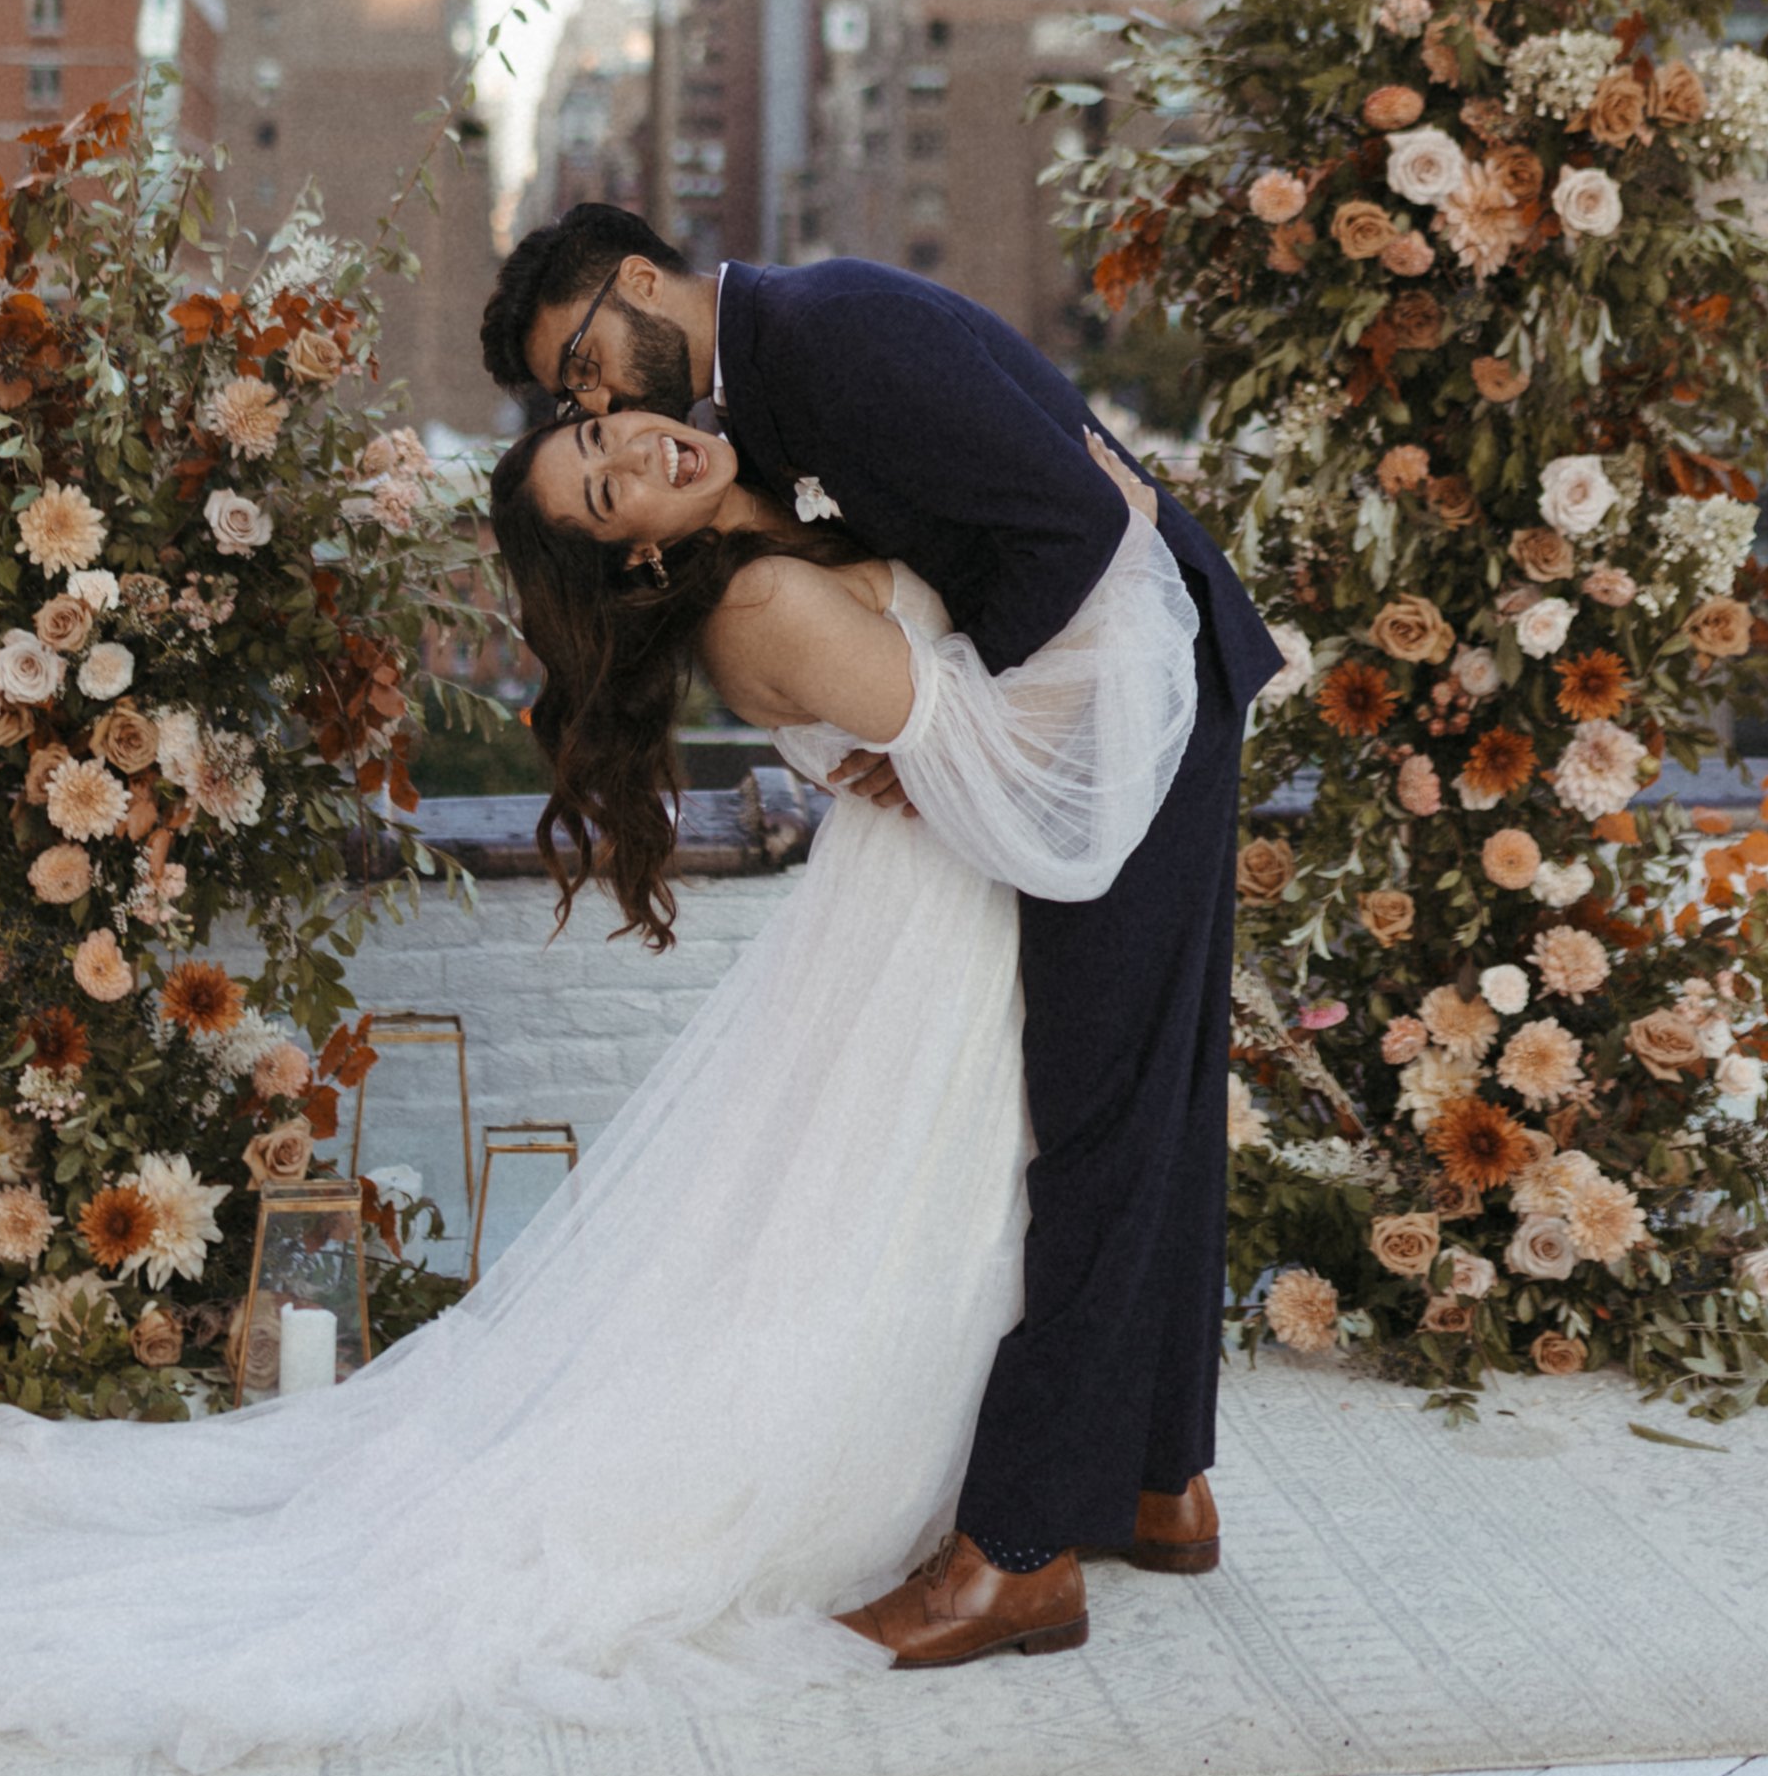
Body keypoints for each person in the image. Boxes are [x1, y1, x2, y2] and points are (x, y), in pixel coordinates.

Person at [0, 369, 1206, 1759]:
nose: (638, 452)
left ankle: (1088, 1476)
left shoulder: (789, 518)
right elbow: (1025, 762)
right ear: (636, 554)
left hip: (946, 896)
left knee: (976, 1201)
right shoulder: (762, 599)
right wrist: (1129, 538)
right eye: (607, 489)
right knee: (917, 1216)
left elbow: (955, 730)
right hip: (943, 911)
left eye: (610, 433)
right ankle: (1008, 1513)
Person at [478, 203, 1280, 1667]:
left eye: (585, 370)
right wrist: (929, 723)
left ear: (640, 280)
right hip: (1099, 709)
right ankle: (1160, 1482)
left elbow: (1074, 530)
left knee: (1101, 1115)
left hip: (1121, 715)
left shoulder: (833, 339)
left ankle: (1020, 1552)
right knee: (1146, 1093)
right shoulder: (757, 406)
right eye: (579, 409)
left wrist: (961, 732)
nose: (605, 406)